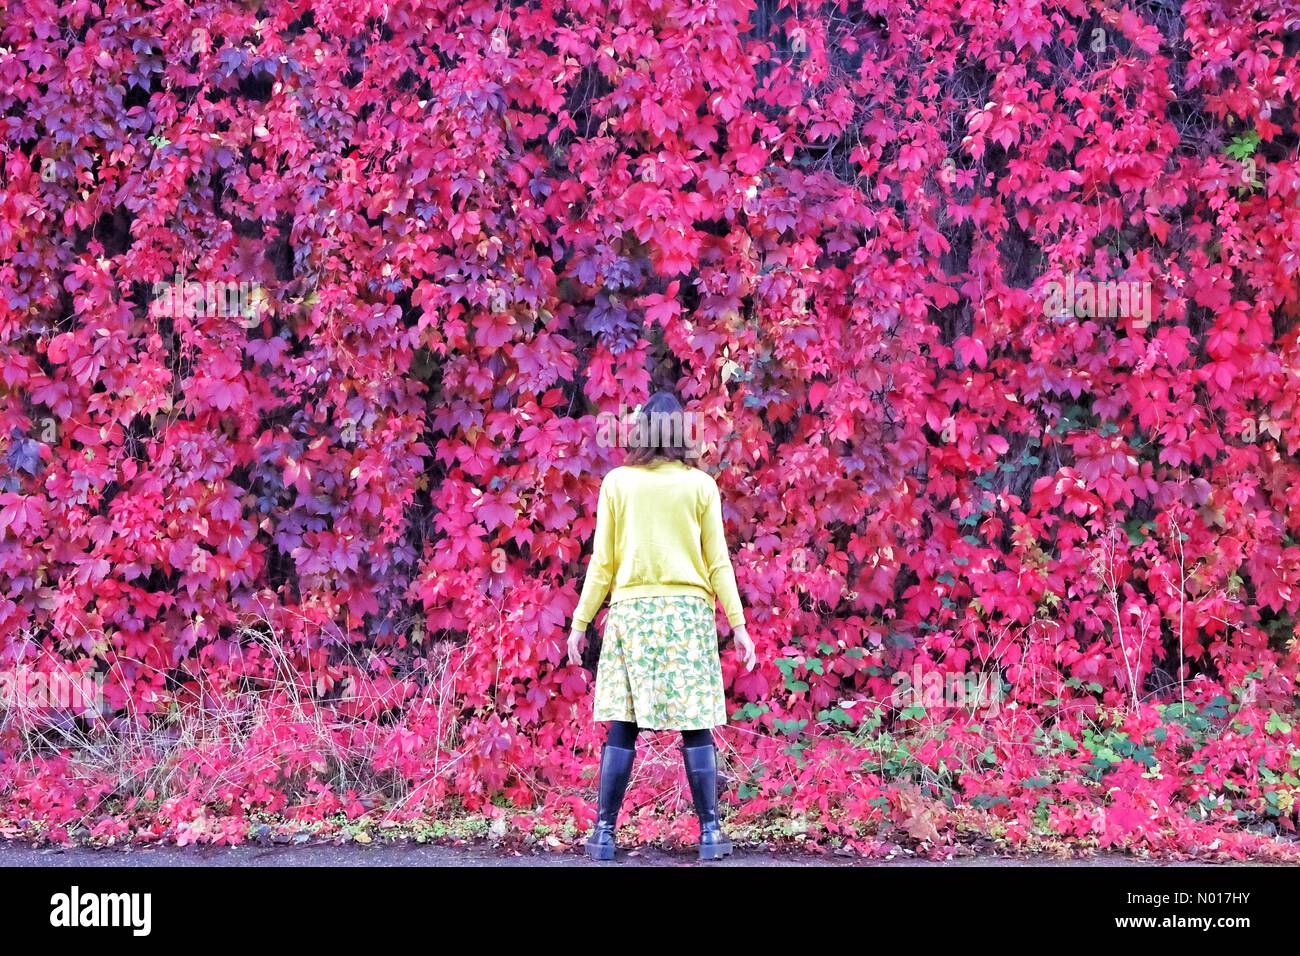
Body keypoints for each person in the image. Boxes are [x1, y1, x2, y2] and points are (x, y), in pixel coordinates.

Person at [567, 390, 757, 861]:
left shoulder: (618, 483)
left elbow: (603, 564)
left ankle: (604, 835)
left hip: (633, 615)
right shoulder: (700, 487)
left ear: (640, 431)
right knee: (696, 725)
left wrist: (579, 622)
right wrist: (738, 624)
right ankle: (711, 834)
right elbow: (719, 565)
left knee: (623, 725)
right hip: (688, 616)